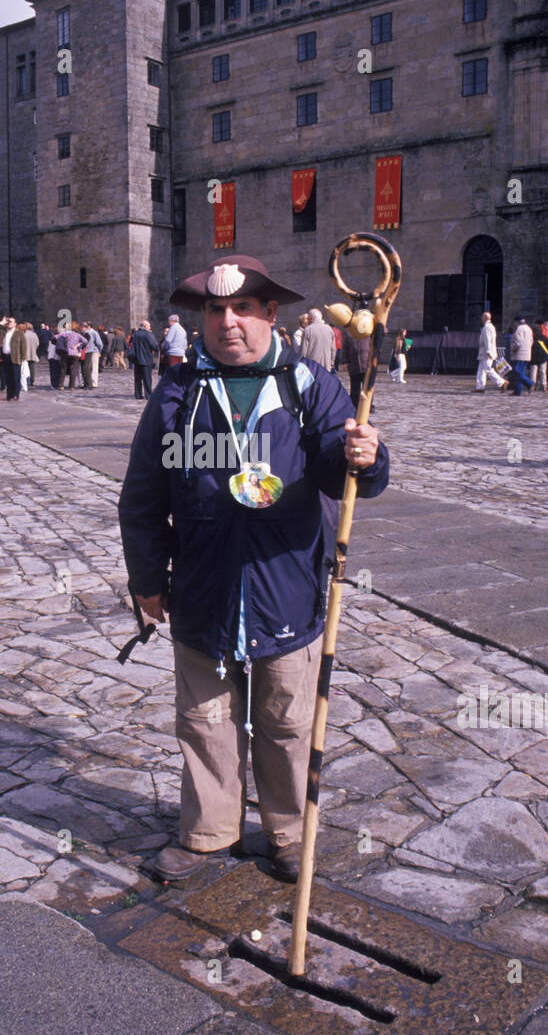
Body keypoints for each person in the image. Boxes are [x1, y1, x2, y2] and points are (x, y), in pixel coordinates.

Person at [118, 254, 389, 884]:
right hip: (203, 588)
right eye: (215, 310)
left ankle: (288, 833)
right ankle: (209, 831)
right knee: (205, 719)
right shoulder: (178, 392)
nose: (228, 322)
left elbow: (341, 474)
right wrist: (146, 581)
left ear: (271, 314)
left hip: (287, 586)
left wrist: (366, 459)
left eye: (243, 308)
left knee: (287, 721)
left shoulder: (309, 386)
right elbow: (141, 497)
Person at [474, 312, 506, 393]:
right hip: (484, 352)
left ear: (485, 317)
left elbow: (488, 340)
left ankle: (502, 382)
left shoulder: (487, 327)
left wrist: (488, 351)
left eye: (482, 316)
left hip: (487, 353)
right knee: (481, 370)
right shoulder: (489, 326)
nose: (481, 318)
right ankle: (480, 387)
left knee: (488, 369)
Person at [128, 319, 159, 399]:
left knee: (137, 379)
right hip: (146, 359)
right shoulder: (148, 335)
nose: (150, 327)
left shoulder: (135, 334)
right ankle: (148, 395)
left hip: (136, 359)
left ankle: (138, 395)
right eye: (149, 326)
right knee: (147, 379)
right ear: (145, 326)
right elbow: (155, 346)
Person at [508, 318, 534, 396]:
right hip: (527, 354)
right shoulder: (529, 329)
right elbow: (531, 341)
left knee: (517, 372)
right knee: (521, 372)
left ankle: (530, 383)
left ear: (516, 322)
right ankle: (517, 391)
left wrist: (512, 348)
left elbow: (517, 343)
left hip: (519, 354)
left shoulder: (518, 329)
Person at [529, 319, 548, 392]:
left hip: (533, 356)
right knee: (542, 372)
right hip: (542, 357)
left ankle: (532, 385)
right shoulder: (543, 337)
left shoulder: (531, 338)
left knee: (533, 372)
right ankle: (543, 385)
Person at [81, 322, 102, 389]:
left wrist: (99, 351)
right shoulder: (85, 333)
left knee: (92, 367)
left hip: (93, 351)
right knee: (88, 367)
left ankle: (93, 383)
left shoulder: (93, 333)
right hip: (89, 351)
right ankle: (88, 382)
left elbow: (99, 343)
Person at [24, 322, 40, 388]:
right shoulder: (34, 334)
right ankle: (32, 380)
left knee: (24, 367)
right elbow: (37, 343)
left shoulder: (23, 334)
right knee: (32, 367)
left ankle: (26, 380)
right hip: (32, 353)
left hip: (25, 353)